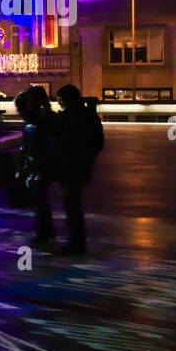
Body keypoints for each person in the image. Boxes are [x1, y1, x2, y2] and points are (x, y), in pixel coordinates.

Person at [52, 84, 104, 255]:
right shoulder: (82, 116)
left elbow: (95, 143)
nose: (59, 104)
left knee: (72, 206)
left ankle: (76, 243)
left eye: (60, 101)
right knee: (71, 205)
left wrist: (76, 156)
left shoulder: (80, 118)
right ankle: (75, 241)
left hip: (72, 167)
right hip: (71, 166)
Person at [15, 88, 56, 248]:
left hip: (40, 163)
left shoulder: (40, 118)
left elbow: (29, 144)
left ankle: (45, 234)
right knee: (39, 200)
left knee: (40, 199)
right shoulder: (42, 117)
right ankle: (45, 233)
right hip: (36, 163)